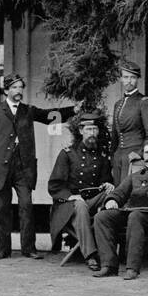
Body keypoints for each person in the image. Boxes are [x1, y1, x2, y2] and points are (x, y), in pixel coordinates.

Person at [0, 74, 76, 260]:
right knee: (1, 209)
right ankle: (2, 250)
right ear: (6, 90)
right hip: (1, 168)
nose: (19, 91)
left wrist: (73, 110)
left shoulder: (28, 110)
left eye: (21, 88)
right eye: (15, 88)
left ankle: (29, 249)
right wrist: (1, 154)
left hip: (23, 167)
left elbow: (50, 116)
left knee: (26, 206)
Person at [92, 139, 148, 280]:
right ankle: (109, 266)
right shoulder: (135, 176)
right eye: (146, 152)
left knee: (135, 216)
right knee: (102, 217)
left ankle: (132, 268)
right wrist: (112, 200)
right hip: (131, 212)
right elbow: (119, 192)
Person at [47, 113, 114, 270]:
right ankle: (90, 255)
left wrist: (108, 184)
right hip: (69, 204)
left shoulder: (102, 155)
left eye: (95, 129)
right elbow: (54, 185)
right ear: (81, 130)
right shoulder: (68, 154)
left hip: (93, 200)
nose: (92, 133)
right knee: (81, 206)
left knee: (112, 194)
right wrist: (71, 196)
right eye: (89, 129)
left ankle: (110, 251)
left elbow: (106, 178)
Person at [110, 60, 148, 186]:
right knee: (117, 194)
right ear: (121, 79)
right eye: (126, 77)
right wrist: (112, 156)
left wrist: (139, 153)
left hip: (134, 157)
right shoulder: (118, 104)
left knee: (129, 193)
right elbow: (115, 135)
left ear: (137, 79)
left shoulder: (144, 102)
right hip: (118, 158)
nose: (129, 81)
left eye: (133, 77)